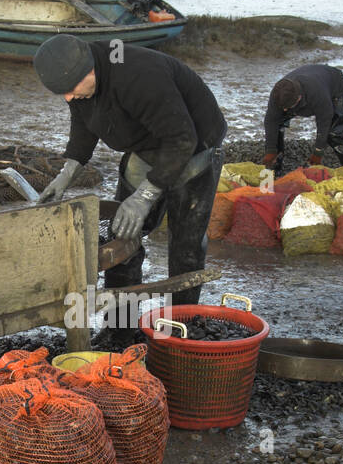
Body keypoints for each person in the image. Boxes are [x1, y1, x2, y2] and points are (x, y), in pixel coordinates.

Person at [33, 34, 226, 310]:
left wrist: (145, 197)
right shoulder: (74, 77)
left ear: (91, 69)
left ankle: (181, 324)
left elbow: (182, 140)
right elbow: (84, 122)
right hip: (145, 148)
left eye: (71, 88)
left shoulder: (139, 77)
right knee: (121, 233)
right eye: (62, 92)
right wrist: (68, 171)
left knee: (186, 245)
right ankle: (120, 325)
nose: (68, 96)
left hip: (193, 146)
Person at [262, 65, 343, 172]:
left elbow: (324, 124)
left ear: (298, 99)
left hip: (335, 84)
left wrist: (318, 153)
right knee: (278, 122)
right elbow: (271, 121)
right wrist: (270, 150)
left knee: (334, 134)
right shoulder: (278, 93)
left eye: (287, 107)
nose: (284, 110)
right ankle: (275, 168)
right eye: (282, 107)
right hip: (309, 78)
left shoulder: (318, 95)